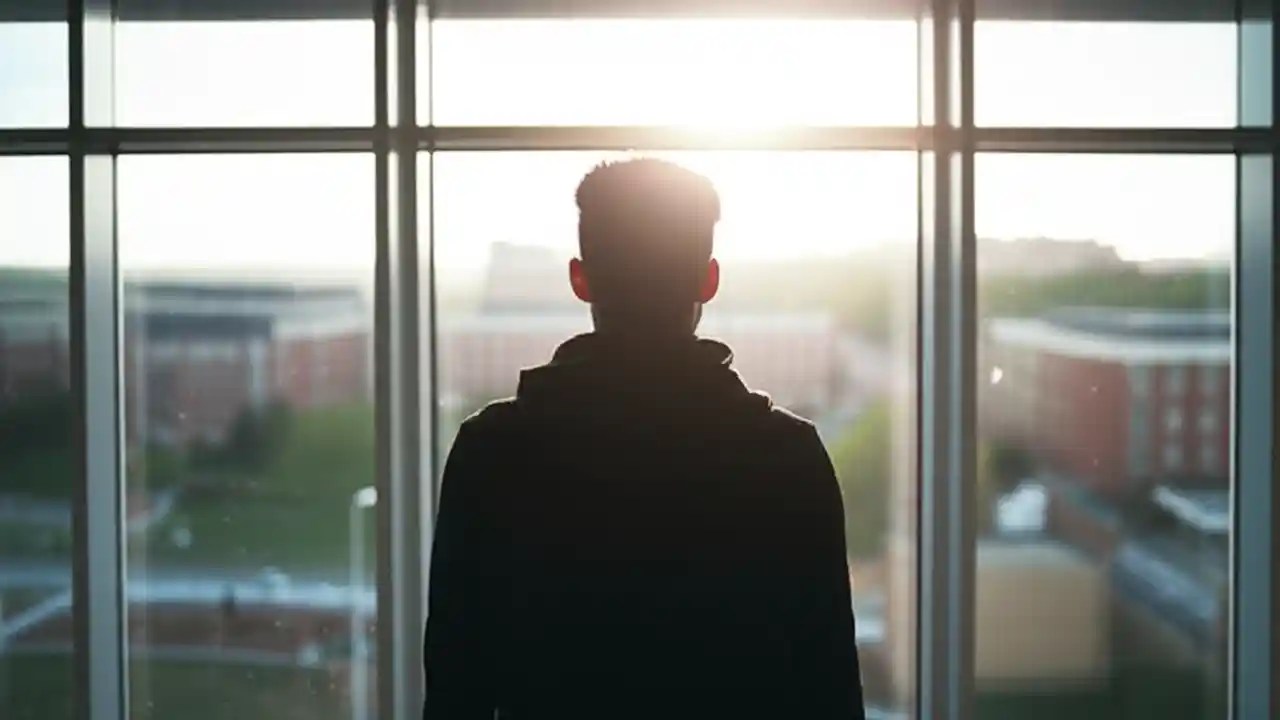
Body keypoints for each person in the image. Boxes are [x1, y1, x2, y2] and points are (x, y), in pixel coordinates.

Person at [423, 158, 864, 719]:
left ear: (580, 280)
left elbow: (456, 690)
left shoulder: (490, 455)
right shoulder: (788, 459)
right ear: (708, 279)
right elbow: (829, 689)